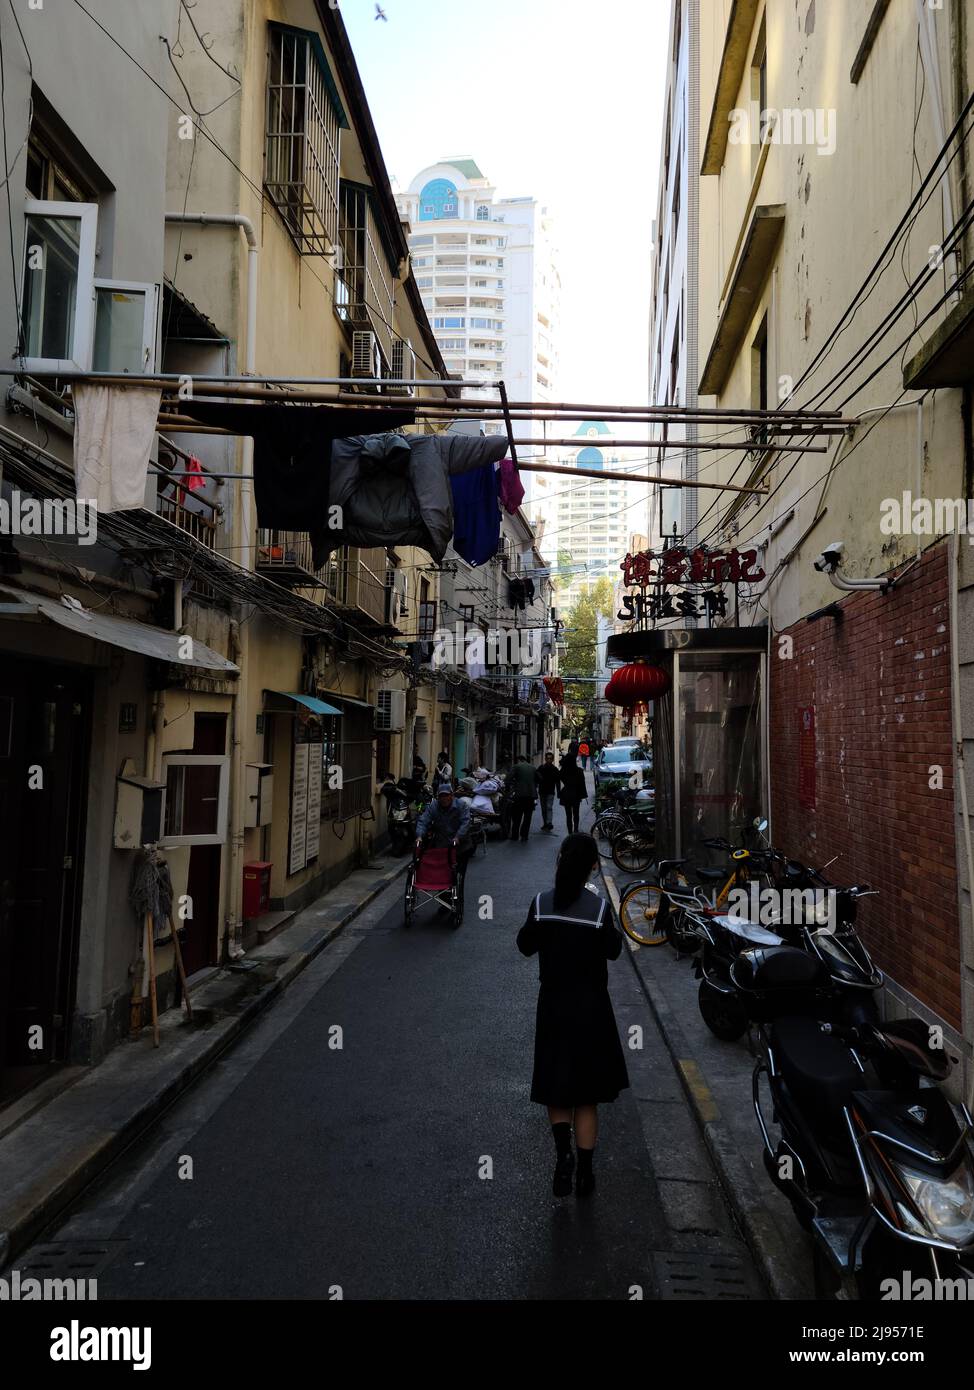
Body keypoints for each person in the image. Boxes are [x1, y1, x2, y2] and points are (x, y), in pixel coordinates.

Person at [516, 832, 630, 1198]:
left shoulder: (542, 903)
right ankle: (586, 1172)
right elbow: (613, 951)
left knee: (558, 1087)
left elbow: (524, 945)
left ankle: (562, 1157)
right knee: (587, 1096)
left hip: (553, 1007)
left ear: (560, 862)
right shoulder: (597, 911)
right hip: (592, 1010)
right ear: (592, 866)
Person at [415, 785, 473, 896]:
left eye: (446, 795)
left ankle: (458, 899)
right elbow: (423, 821)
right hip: (443, 845)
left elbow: (465, 823)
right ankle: (444, 901)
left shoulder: (461, 806)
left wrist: (458, 837)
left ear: (452, 796)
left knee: (458, 876)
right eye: (441, 796)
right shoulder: (434, 806)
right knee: (442, 874)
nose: (444, 798)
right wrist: (419, 836)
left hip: (460, 846)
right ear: (438, 797)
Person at [507, 754, 538, 842]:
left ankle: (515, 835)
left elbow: (508, 779)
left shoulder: (516, 766)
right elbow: (539, 778)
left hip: (519, 795)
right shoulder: (533, 767)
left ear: (518, 760)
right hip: (531, 796)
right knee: (527, 817)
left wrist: (510, 786)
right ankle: (524, 835)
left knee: (517, 816)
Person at [558, 752, 587, 833]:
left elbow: (558, 779)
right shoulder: (579, 771)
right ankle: (576, 829)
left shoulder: (563, 771)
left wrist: (559, 792)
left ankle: (570, 831)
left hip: (566, 793)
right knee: (576, 813)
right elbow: (582, 784)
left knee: (568, 815)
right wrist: (583, 795)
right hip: (576, 794)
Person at [535, 751, 561, 832]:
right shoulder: (541, 768)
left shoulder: (555, 769)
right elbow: (536, 779)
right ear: (545, 759)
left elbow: (557, 781)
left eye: (550, 758)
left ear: (552, 759)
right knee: (543, 809)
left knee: (549, 807)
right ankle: (545, 823)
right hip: (542, 791)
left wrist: (558, 792)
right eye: (547, 758)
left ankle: (549, 823)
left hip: (550, 791)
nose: (549, 760)